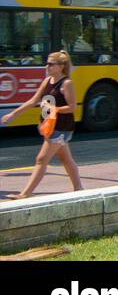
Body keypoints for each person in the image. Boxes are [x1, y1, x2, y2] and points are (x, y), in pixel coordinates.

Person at [1, 50, 83, 199]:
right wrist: (13, 114)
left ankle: (26, 193)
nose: (47, 66)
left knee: (41, 159)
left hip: (61, 127)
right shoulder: (47, 81)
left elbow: (72, 107)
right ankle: (79, 188)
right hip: (49, 125)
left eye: (51, 64)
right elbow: (33, 101)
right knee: (65, 158)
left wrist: (55, 109)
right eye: (47, 63)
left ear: (61, 66)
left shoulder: (67, 83)